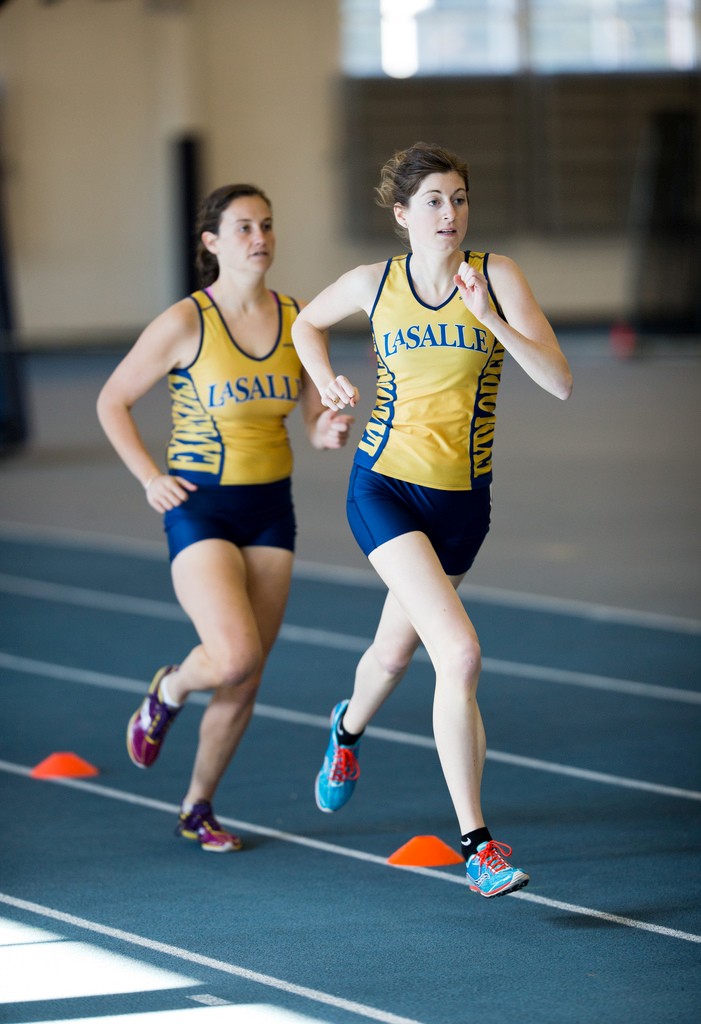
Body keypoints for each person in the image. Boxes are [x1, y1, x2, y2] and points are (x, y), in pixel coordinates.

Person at [291, 142, 573, 897]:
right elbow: (304, 326)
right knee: (460, 654)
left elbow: (560, 382)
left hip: (461, 505)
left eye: (458, 199)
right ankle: (477, 846)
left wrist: (492, 321)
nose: (449, 214)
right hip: (382, 488)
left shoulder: (497, 277)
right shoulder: (372, 283)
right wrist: (326, 386)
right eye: (433, 202)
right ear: (402, 215)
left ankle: (345, 733)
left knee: (391, 655)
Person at [97, 183, 353, 852]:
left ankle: (197, 806)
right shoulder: (186, 322)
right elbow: (111, 401)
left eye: (266, 225)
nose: (259, 237)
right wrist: (150, 475)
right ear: (211, 243)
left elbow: (311, 416)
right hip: (201, 505)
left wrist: (328, 428)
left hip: (271, 509)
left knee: (248, 673)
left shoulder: (299, 318)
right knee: (231, 654)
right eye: (242, 227)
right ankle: (170, 689)